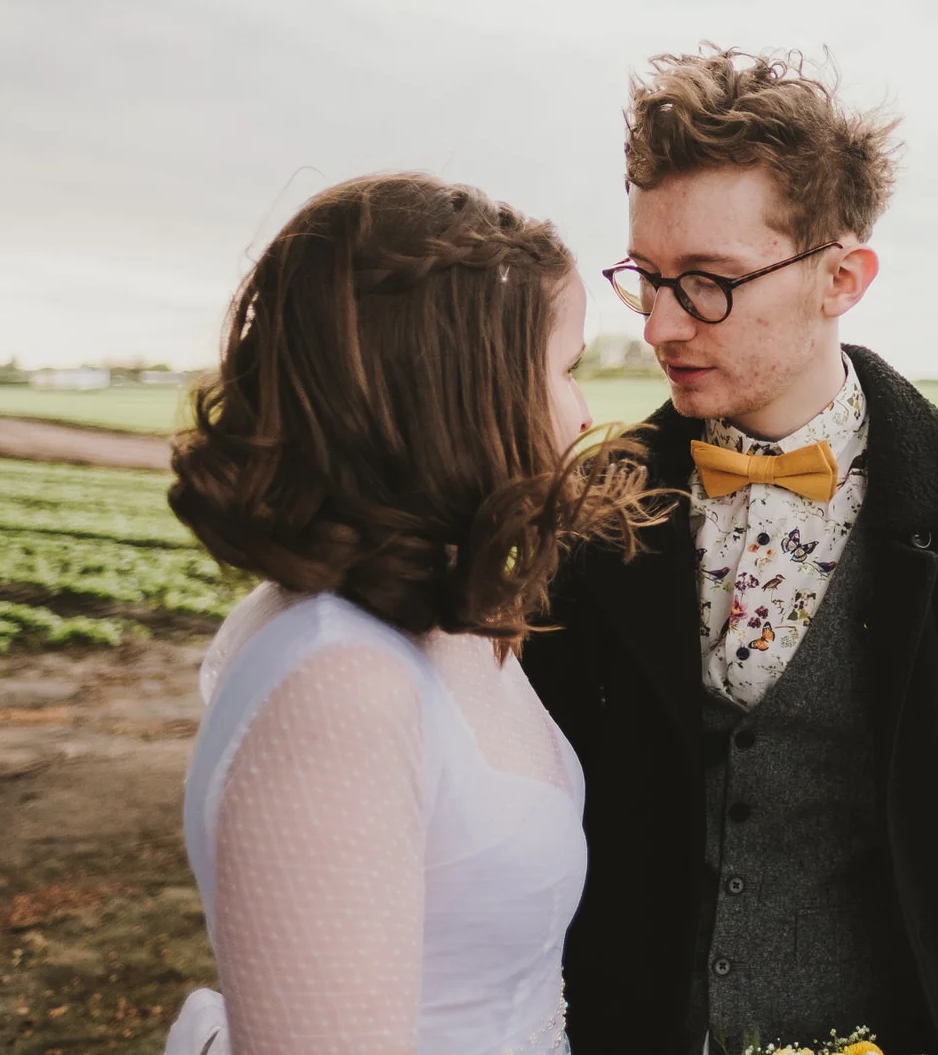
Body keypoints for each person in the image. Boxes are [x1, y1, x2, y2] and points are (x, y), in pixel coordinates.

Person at [522, 50, 938, 1055]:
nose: (660, 326)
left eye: (708, 282)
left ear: (840, 278)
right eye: (647, 280)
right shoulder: (593, 508)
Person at [163, 173, 652, 1055]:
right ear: (462, 392)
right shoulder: (340, 688)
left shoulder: (442, 621)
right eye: (566, 369)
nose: (584, 413)